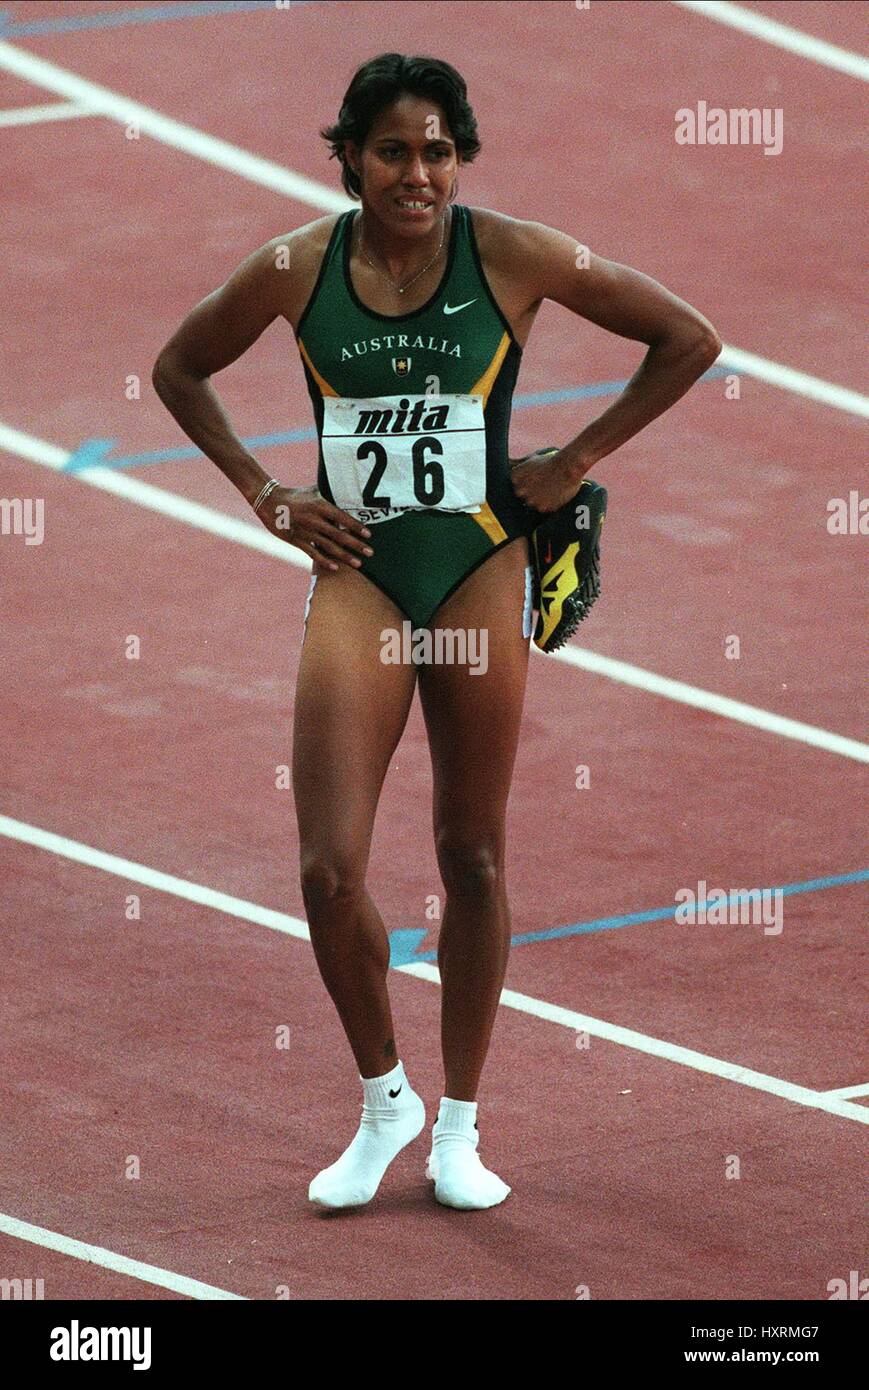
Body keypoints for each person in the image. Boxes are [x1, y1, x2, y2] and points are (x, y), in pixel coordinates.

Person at [152, 53, 721, 1211]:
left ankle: (459, 1125)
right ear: (350, 159)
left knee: (470, 851)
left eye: (438, 151)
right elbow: (179, 367)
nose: (419, 174)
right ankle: (383, 1101)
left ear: (459, 158)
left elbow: (686, 338)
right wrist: (269, 497)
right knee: (326, 867)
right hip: (361, 575)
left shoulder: (510, 254)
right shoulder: (293, 267)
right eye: (394, 152)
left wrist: (571, 460)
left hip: (472, 568)